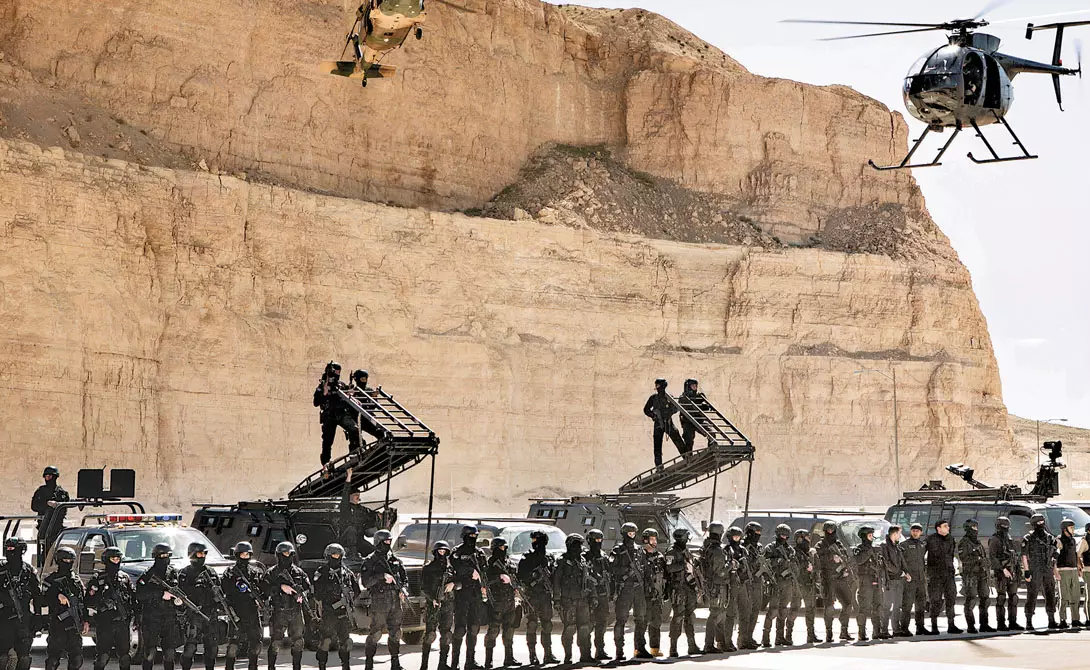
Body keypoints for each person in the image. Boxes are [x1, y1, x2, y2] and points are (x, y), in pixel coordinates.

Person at [359, 530, 407, 670]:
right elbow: (366, 582)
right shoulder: (370, 561)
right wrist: (381, 576)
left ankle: (395, 663)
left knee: (396, 633)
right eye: (385, 541)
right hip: (379, 601)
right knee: (376, 633)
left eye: (389, 541)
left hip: (395, 601)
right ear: (378, 542)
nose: (388, 544)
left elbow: (404, 579)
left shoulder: (395, 560)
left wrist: (404, 590)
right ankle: (369, 664)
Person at [263, 542, 312, 670]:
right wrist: (280, 588)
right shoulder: (272, 572)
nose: (288, 556)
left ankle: (297, 667)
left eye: (290, 554)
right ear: (278, 555)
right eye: (285, 553)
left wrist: (302, 594)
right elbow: (264, 589)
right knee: (276, 643)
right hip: (279, 612)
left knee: (298, 642)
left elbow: (308, 587)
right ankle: (271, 667)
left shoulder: (298, 572)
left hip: (296, 612)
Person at [135, 544, 185, 670]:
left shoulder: (173, 573)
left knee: (169, 653)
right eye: (162, 556)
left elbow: (179, 589)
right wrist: (161, 594)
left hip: (169, 618)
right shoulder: (148, 574)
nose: (165, 559)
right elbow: (140, 593)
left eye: (167, 556)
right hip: (152, 618)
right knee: (150, 652)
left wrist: (179, 602)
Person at [311, 543, 360, 670]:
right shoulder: (322, 572)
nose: (336, 557)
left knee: (346, 642)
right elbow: (317, 594)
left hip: (344, 613)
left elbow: (357, 590)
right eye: (334, 554)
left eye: (339, 555)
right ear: (328, 556)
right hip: (329, 613)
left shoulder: (347, 573)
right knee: (326, 641)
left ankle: (346, 666)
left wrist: (348, 600)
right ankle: (322, 665)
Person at [87, 546, 134, 670]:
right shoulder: (98, 578)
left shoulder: (124, 578)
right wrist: (103, 603)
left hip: (122, 623)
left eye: (118, 558)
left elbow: (133, 598)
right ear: (107, 560)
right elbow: (89, 600)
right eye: (113, 559)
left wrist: (135, 616)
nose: (116, 561)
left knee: (125, 657)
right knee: (103, 656)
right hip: (105, 623)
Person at [222, 542, 267, 670]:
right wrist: (238, 589)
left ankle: (253, 666)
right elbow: (225, 590)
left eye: (247, 554)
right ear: (237, 555)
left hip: (252, 611)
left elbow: (263, 589)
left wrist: (260, 598)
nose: (245, 556)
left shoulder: (255, 572)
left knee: (256, 642)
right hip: (236, 611)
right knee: (234, 644)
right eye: (242, 554)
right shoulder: (230, 572)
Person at [179, 542, 224, 670]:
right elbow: (182, 594)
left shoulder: (211, 572)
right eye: (199, 553)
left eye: (204, 553)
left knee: (212, 648)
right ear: (192, 554)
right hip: (194, 614)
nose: (202, 556)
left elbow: (220, 592)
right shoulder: (185, 573)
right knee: (190, 647)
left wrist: (218, 597)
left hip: (210, 614)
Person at [43, 547, 89, 670]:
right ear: (58, 561)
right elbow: (43, 600)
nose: (68, 563)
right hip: (58, 625)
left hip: (74, 625)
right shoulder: (50, 580)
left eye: (70, 560)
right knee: (53, 661)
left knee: (77, 660)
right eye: (65, 560)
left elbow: (83, 602)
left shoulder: (77, 580)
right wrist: (57, 595)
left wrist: (86, 621)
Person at [516, 530, 558, 666]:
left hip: (545, 595)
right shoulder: (527, 558)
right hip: (532, 595)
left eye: (537, 540)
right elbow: (520, 577)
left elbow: (554, 577)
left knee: (547, 624)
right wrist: (534, 577)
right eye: (533, 540)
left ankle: (548, 654)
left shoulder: (549, 558)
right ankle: (533, 655)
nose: (534, 543)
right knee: (532, 624)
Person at [450, 526, 488, 670]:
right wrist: (469, 570)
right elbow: (454, 566)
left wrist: (484, 584)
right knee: (460, 629)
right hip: (462, 594)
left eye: (475, 535)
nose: (473, 538)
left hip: (476, 594)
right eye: (470, 535)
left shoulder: (479, 553)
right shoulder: (457, 552)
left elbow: (484, 570)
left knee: (474, 628)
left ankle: (470, 661)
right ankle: (454, 663)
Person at [0, 538, 40, 670]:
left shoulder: (28, 571)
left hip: (24, 618)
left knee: (24, 657)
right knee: (4, 656)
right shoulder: (1, 569)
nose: (9, 551)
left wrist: (38, 615)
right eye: (8, 548)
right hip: (3, 618)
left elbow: (37, 595)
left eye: (13, 549)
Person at [609, 523, 646, 661]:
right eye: (629, 533)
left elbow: (644, 569)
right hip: (625, 588)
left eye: (633, 533)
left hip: (638, 588)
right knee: (621, 620)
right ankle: (619, 650)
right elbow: (611, 568)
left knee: (641, 619)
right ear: (624, 534)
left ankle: (640, 648)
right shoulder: (618, 550)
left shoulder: (639, 550)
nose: (632, 535)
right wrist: (626, 571)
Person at [553, 534, 593, 664]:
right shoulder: (562, 561)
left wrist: (593, 596)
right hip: (568, 600)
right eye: (577, 545)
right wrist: (557, 599)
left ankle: (585, 654)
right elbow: (556, 581)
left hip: (583, 599)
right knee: (569, 627)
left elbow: (589, 581)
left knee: (585, 627)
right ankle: (568, 656)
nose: (580, 548)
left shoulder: (583, 561)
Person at [483, 537, 520, 669]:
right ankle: (488, 660)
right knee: (493, 630)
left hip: (509, 601)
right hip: (496, 601)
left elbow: (514, 578)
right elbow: (485, 581)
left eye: (504, 547)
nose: (503, 550)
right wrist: (498, 578)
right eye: (500, 548)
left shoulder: (509, 562)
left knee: (509, 630)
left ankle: (509, 658)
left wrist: (515, 586)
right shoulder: (490, 563)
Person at [314, 361, 360, 465]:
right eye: (336, 372)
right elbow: (316, 402)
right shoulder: (321, 386)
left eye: (339, 372)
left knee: (354, 430)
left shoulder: (341, 385)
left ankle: (354, 453)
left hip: (341, 414)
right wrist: (324, 394)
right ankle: (325, 463)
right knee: (327, 441)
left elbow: (348, 397)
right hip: (329, 416)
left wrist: (351, 394)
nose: (337, 375)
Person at [815, 520, 854, 642]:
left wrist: (845, 568)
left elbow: (845, 557)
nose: (830, 532)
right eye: (828, 530)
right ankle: (829, 633)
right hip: (829, 579)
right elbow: (818, 560)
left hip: (841, 578)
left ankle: (844, 630)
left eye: (832, 530)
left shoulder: (839, 544)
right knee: (829, 608)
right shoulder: (820, 545)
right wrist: (831, 558)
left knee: (848, 604)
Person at [664, 528, 700, 657]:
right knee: (678, 617)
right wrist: (683, 565)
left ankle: (692, 646)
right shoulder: (672, 552)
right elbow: (668, 568)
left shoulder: (686, 551)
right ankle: (673, 648)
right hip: (677, 589)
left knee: (689, 616)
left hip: (688, 588)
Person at [420, 541, 456, 670]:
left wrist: (454, 585)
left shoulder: (450, 568)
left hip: (448, 604)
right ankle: (424, 665)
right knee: (430, 634)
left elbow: (459, 582)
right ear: (435, 552)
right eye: (440, 551)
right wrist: (433, 599)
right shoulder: (429, 568)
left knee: (446, 635)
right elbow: (423, 587)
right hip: (433, 605)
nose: (442, 553)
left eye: (444, 551)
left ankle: (442, 664)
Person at [762, 524, 797, 647]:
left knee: (783, 611)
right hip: (775, 582)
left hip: (787, 583)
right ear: (777, 534)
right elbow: (765, 563)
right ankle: (765, 638)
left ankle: (779, 637)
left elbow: (794, 564)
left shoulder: (790, 550)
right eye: (782, 534)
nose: (784, 537)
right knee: (773, 611)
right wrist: (778, 561)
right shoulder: (770, 548)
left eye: (786, 535)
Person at [1021, 513, 1058, 630]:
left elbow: (1055, 552)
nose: (1041, 525)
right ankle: (1029, 621)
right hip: (1034, 569)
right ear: (1034, 524)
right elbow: (1024, 555)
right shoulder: (1028, 538)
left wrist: (1054, 568)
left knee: (1051, 595)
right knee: (1032, 595)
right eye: (1039, 523)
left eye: (1043, 522)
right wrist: (1026, 571)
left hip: (1047, 569)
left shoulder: (1049, 537)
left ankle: (1051, 620)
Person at [957, 519, 993, 634]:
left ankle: (984, 624)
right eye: (973, 527)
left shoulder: (977, 542)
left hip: (982, 575)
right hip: (971, 575)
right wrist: (977, 560)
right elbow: (964, 558)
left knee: (985, 600)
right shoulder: (964, 542)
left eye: (976, 527)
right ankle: (971, 626)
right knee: (971, 600)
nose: (976, 529)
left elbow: (983, 556)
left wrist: (986, 562)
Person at [925, 519, 961, 634]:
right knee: (935, 600)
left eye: (948, 526)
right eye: (945, 526)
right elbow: (921, 554)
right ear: (938, 528)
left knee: (951, 598)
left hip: (949, 574)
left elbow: (952, 555)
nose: (948, 528)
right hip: (936, 575)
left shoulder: (951, 539)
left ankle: (951, 625)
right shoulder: (930, 539)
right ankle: (934, 626)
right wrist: (926, 571)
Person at [583, 529, 613, 661]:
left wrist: (612, 592)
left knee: (602, 623)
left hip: (603, 594)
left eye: (600, 540)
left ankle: (600, 650)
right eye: (595, 540)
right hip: (590, 595)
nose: (598, 543)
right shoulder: (585, 556)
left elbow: (610, 574)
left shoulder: (603, 556)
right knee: (588, 624)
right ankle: (586, 652)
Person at [700, 522, 729, 653]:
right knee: (716, 614)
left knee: (719, 614)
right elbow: (720, 572)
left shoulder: (707, 546)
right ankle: (709, 644)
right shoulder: (716, 550)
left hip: (711, 585)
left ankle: (720, 643)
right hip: (717, 586)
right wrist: (731, 566)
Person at [989, 517, 1022, 632]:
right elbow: (993, 557)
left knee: (1013, 598)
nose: (1006, 528)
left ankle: (1012, 622)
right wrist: (1003, 569)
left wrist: (1018, 570)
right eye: (1004, 526)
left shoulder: (1009, 539)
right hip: (1001, 573)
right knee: (1001, 598)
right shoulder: (994, 539)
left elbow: (1015, 556)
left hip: (1011, 572)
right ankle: (1001, 623)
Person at [642, 379, 685, 467]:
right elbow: (646, 409)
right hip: (658, 424)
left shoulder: (669, 397)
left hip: (668, 423)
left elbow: (676, 408)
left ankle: (687, 458)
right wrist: (653, 416)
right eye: (656, 385)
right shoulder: (653, 398)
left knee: (678, 440)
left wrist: (669, 412)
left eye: (658, 385)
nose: (657, 387)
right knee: (657, 447)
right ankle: (659, 467)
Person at [725, 526, 755, 649]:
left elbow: (749, 567)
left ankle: (743, 640)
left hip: (743, 584)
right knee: (730, 614)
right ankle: (727, 641)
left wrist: (744, 566)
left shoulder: (743, 550)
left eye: (738, 536)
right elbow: (725, 568)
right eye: (734, 536)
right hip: (731, 585)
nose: (736, 539)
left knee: (745, 612)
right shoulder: (726, 550)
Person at [853, 525, 885, 641]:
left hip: (876, 580)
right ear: (864, 537)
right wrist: (870, 551)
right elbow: (859, 560)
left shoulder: (875, 549)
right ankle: (861, 632)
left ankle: (877, 631)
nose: (872, 538)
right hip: (865, 582)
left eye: (872, 535)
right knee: (864, 608)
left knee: (878, 606)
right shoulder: (859, 549)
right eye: (870, 535)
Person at [789, 529, 819, 645]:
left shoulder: (811, 552)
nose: (808, 540)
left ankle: (811, 635)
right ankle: (788, 634)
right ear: (800, 539)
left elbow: (817, 567)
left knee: (810, 610)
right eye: (806, 538)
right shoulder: (794, 552)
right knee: (794, 609)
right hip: (798, 584)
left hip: (809, 584)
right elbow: (793, 568)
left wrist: (814, 572)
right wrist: (804, 568)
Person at [641, 529, 667, 658]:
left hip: (657, 595)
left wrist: (665, 591)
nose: (654, 542)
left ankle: (655, 648)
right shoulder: (640, 556)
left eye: (655, 539)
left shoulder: (659, 556)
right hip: (644, 596)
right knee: (642, 622)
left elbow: (665, 575)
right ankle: (639, 649)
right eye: (652, 539)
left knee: (656, 622)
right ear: (645, 540)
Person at [31, 465, 71, 553]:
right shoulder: (41, 491)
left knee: (57, 549)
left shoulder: (61, 492)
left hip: (58, 525)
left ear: (54, 477)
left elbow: (67, 504)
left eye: (49, 476)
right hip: (44, 525)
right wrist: (46, 504)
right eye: (46, 476)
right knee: (45, 549)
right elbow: (34, 506)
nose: (47, 478)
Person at [899, 523, 930, 635]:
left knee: (921, 605)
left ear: (921, 532)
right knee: (907, 605)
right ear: (911, 531)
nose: (915, 532)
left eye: (918, 531)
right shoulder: (904, 545)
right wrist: (904, 574)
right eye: (913, 530)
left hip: (921, 580)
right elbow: (900, 561)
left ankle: (920, 627)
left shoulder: (923, 545)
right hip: (909, 580)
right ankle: (904, 628)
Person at [880, 525, 908, 638]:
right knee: (887, 606)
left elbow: (902, 561)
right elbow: (886, 563)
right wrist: (899, 572)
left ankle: (896, 629)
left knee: (897, 606)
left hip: (899, 580)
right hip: (889, 580)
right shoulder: (884, 546)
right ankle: (884, 630)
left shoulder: (897, 546)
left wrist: (906, 572)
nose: (900, 536)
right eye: (899, 533)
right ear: (895, 533)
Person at [741, 523, 764, 647]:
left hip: (758, 582)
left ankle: (749, 636)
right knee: (746, 612)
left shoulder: (759, 547)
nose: (758, 536)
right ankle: (743, 639)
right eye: (756, 533)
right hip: (747, 582)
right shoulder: (744, 546)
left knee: (755, 611)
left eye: (760, 533)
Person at [1056, 518, 1080, 628]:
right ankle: (1063, 620)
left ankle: (1075, 619)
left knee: (1075, 596)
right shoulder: (1059, 540)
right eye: (1071, 528)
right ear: (1065, 529)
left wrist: (1078, 567)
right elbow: (1053, 557)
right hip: (1063, 571)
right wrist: (1055, 571)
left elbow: (1075, 554)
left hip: (1073, 571)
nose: (1073, 530)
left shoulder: (1073, 540)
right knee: (1064, 597)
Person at [678, 379, 708, 453]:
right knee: (688, 439)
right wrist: (700, 406)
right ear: (688, 387)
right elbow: (685, 407)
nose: (695, 387)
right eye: (692, 385)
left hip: (699, 421)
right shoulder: (683, 397)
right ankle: (689, 457)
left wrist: (704, 405)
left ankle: (712, 451)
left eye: (695, 385)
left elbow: (707, 406)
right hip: (688, 422)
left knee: (712, 434)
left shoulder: (700, 396)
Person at [1079, 523, 1090, 626]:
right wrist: (1080, 567)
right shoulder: (1085, 540)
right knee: (1089, 596)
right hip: (1088, 570)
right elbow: (1077, 555)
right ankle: (1088, 618)